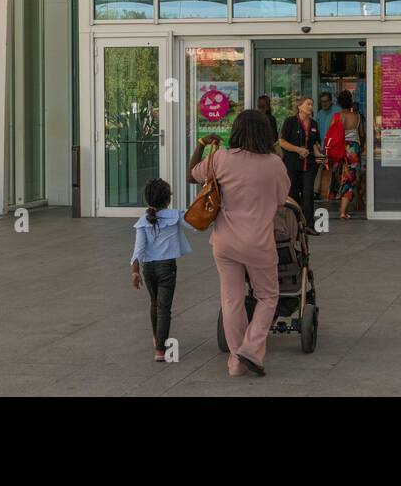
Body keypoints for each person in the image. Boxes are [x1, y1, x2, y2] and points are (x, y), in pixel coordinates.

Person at [187, 110, 289, 378]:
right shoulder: (275, 164)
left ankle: (236, 362)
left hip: (225, 243)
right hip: (259, 243)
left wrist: (201, 144)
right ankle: (251, 350)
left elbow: (191, 175)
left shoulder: (220, 158)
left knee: (232, 300)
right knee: (267, 296)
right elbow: (282, 199)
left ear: (236, 131)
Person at [129, 178, 192, 362]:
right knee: (164, 308)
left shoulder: (143, 221)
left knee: (154, 303)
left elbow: (138, 250)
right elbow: (196, 224)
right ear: (168, 199)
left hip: (148, 269)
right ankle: (160, 350)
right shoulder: (175, 215)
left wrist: (135, 272)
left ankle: (158, 338)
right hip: (166, 268)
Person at [279, 96, 324, 233]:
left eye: (312, 104)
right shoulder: (290, 122)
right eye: (308, 104)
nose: (311, 107)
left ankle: (308, 225)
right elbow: (282, 142)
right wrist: (298, 150)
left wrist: (319, 155)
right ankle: (293, 225)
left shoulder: (314, 124)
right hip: (292, 163)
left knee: (308, 193)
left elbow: (314, 144)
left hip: (309, 164)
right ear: (300, 106)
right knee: (292, 193)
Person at [333, 89, 366, 220]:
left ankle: (342, 207)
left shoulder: (337, 117)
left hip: (340, 149)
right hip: (353, 149)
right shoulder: (357, 117)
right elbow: (362, 134)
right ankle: (343, 210)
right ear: (351, 102)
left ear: (339, 103)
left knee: (342, 176)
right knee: (350, 178)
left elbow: (331, 133)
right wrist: (361, 147)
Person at [314, 91, 338, 201]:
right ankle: (317, 191)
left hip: (335, 146)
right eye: (322, 102)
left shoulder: (337, 111)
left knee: (335, 169)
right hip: (323, 146)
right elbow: (317, 130)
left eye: (326, 101)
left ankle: (335, 191)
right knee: (320, 167)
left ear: (330, 101)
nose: (324, 104)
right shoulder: (319, 114)